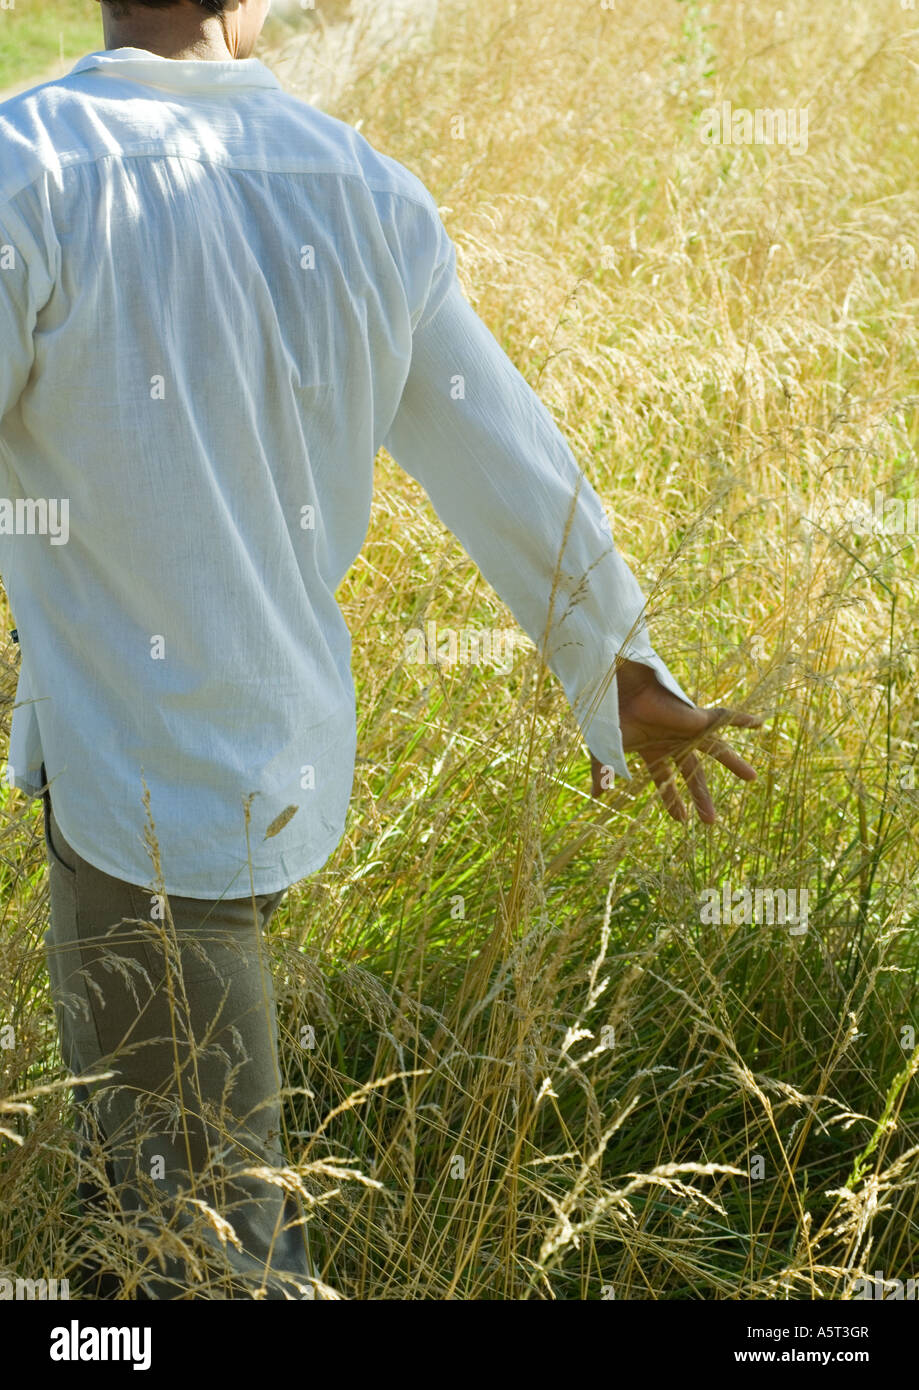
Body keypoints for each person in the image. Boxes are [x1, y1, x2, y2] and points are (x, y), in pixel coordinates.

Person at [0, 0, 759, 1299]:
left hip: (147, 798)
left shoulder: (34, 168)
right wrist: (616, 663)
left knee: (192, 1242)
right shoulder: (358, 191)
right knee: (173, 1191)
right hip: (275, 761)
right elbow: (499, 450)